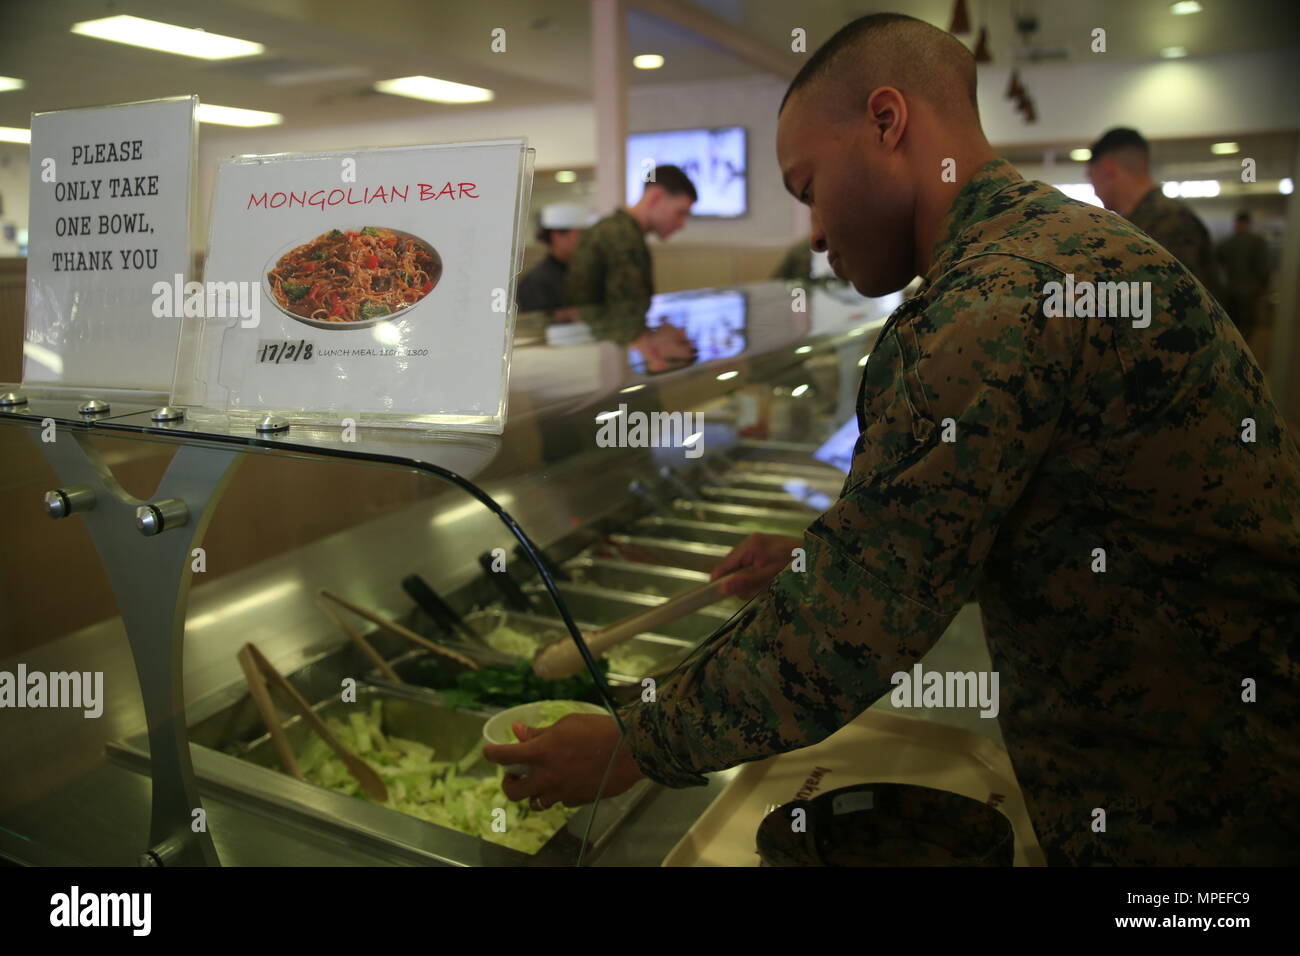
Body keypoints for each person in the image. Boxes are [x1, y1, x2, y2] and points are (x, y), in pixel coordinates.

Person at [484, 13, 1300, 865]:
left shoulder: (991, 301)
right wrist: (822, 557)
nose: (815, 232)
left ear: (886, 120)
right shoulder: (1057, 245)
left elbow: (849, 629)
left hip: (1201, 807)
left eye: (809, 187)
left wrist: (634, 741)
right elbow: (1063, 531)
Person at [1086, 127, 1223, 297]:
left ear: (1108, 169)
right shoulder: (1140, 221)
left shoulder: (1168, 221)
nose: (1094, 189)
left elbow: (1180, 300)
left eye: (1091, 176)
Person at [564, 164, 697, 307]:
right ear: (655, 197)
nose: (681, 225)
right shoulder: (622, 239)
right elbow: (630, 313)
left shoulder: (621, 231)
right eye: (680, 213)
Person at [516, 203, 596, 313]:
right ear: (557, 236)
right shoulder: (535, 282)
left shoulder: (588, 273)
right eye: (582, 234)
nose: (588, 241)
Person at [1216, 210, 1272, 342]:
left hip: (1229, 289)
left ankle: (1232, 346)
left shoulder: (1226, 242)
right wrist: (1265, 286)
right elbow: (1263, 267)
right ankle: (1245, 348)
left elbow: (1216, 266)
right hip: (1250, 290)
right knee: (1247, 323)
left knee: (1231, 322)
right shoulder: (1257, 242)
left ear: (1236, 223)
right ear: (1249, 223)